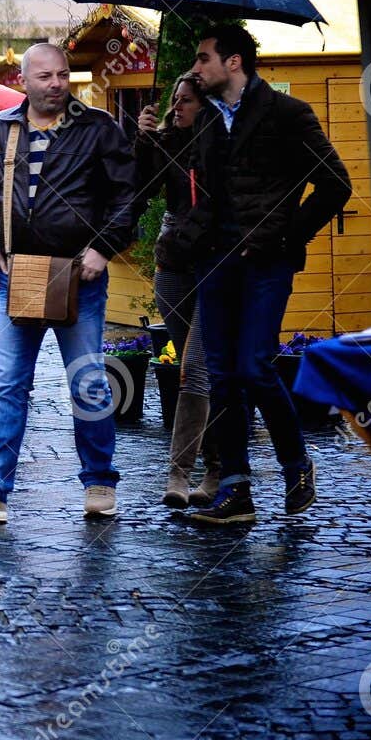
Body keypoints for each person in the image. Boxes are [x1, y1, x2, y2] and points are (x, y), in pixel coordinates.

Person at [0, 43, 138, 524]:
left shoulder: (97, 128)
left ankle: (99, 482)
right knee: (6, 382)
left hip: (79, 275)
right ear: (23, 82)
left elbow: (128, 197)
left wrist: (103, 247)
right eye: (45, 76)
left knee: (88, 382)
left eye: (62, 75)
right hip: (18, 273)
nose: (56, 84)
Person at [178, 26, 351, 525]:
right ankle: (235, 492)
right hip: (215, 261)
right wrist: (157, 139)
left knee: (255, 365)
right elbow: (193, 189)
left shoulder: (286, 115)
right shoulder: (206, 119)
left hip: (266, 260)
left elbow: (335, 183)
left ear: (234, 63)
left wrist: (284, 236)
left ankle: (296, 465)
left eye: (204, 58)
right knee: (224, 376)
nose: (197, 68)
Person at [135, 72, 219, 509]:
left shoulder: (221, 141)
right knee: (199, 367)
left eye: (187, 100)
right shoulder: (166, 141)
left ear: (205, 105)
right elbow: (142, 192)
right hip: (173, 263)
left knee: (195, 369)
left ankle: (180, 472)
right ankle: (218, 465)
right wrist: (144, 141)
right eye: (176, 100)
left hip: (215, 262)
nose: (178, 106)